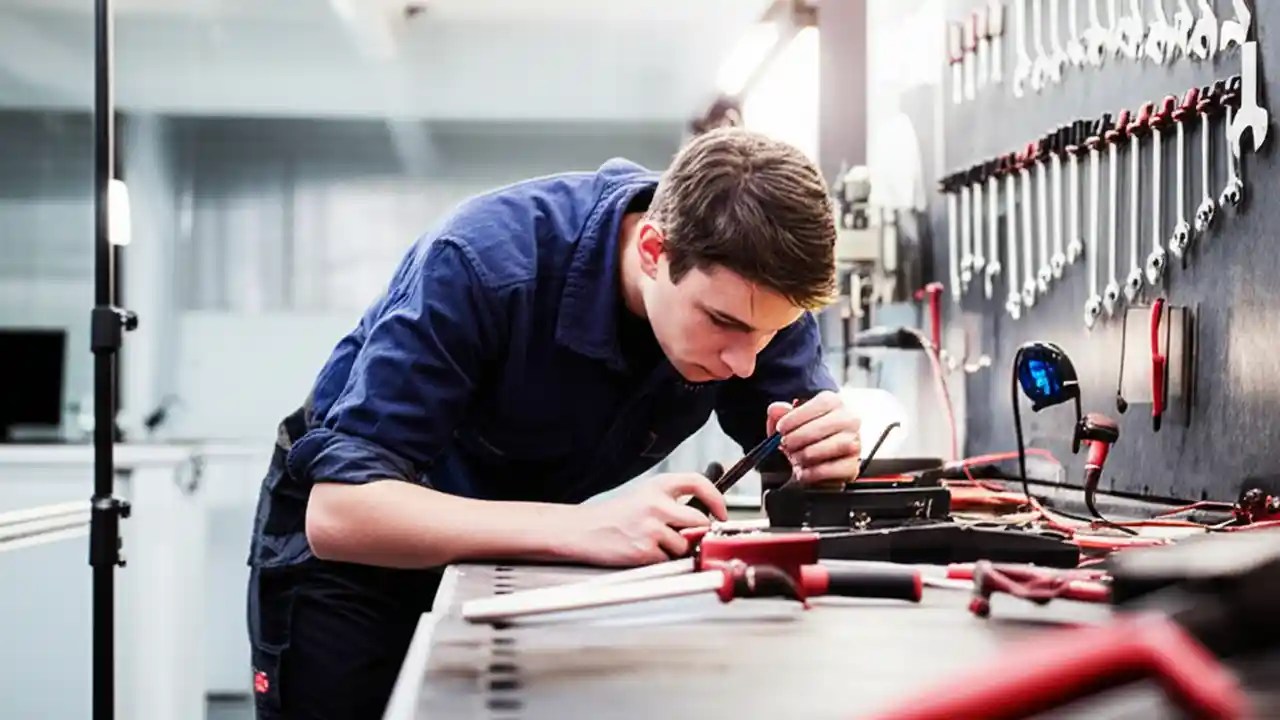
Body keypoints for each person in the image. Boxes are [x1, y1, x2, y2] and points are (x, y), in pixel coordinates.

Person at [246, 127, 863, 719]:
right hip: (355, 567)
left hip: (511, 537)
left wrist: (821, 458)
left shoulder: (754, 294)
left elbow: (801, 472)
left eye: (771, 332)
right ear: (653, 251)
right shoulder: (480, 263)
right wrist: (586, 526)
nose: (747, 360)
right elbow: (339, 516)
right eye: (724, 325)